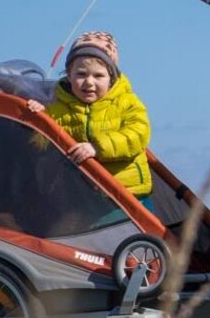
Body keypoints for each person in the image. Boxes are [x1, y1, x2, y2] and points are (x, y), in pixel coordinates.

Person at [28, 31, 154, 208]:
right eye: (81, 74)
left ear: (112, 78)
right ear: (68, 75)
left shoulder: (126, 102)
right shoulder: (59, 107)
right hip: (84, 194)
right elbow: (40, 144)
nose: (89, 82)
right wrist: (38, 116)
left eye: (98, 76)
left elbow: (138, 135)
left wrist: (97, 147)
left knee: (142, 234)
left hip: (128, 194)